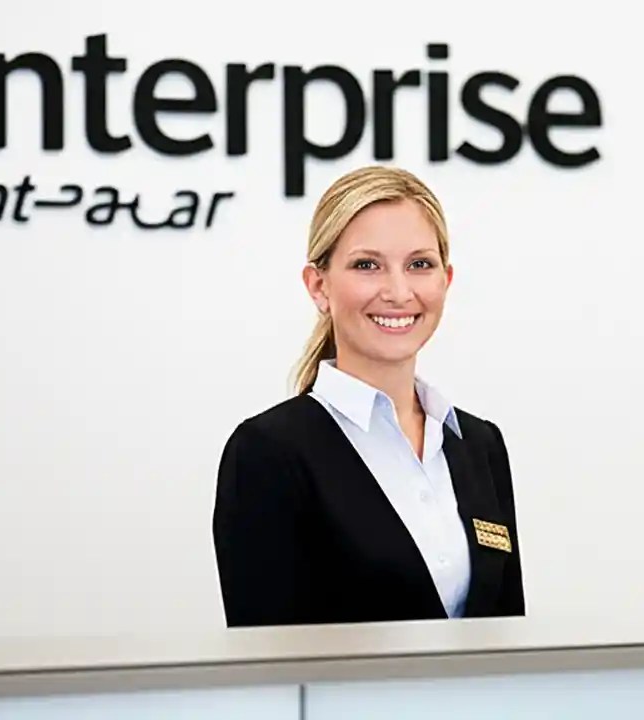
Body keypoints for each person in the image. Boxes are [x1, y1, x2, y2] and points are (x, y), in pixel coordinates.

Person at [212, 165, 524, 627]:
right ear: (319, 286)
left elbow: (508, 639)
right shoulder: (267, 452)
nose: (398, 292)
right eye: (367, 265)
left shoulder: (479, 444)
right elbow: (271, 658)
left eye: (419, 264)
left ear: (446, 279)